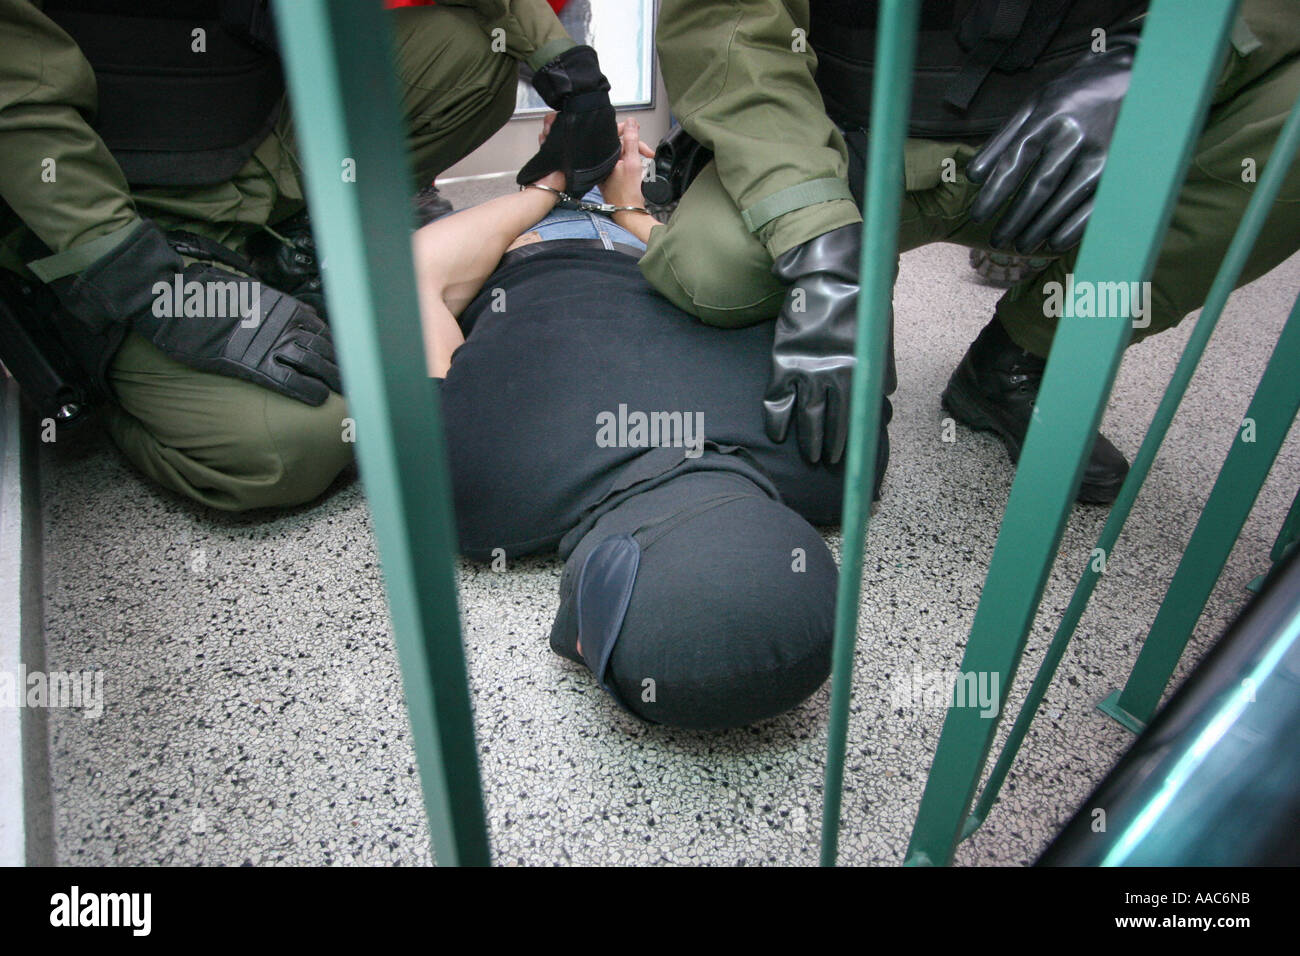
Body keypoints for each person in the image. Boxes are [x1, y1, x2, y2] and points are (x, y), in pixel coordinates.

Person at [641, 0, 1300, 504]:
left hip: (1062, 160)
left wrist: (1154, 65)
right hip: (846, 145)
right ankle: (832, 266)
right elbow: (726, 25)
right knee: (717, 269)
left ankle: (1016, 360)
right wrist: (815, 238)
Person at [0, 0, 618, 511]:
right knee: (296, 443)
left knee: (473, 51)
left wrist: (569, 71)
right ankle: (102, 360)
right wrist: (150, 289)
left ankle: (287, 248)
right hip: (115, 208)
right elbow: (21, 108)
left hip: (253, 136)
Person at [412, 120, 891, 729]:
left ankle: (577, 154)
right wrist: (590, 201)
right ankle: (583, 157)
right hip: (566, 247)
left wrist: (561, 190)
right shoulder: (477, 493)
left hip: (648, 247)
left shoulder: (842, 456)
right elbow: (414, 282)